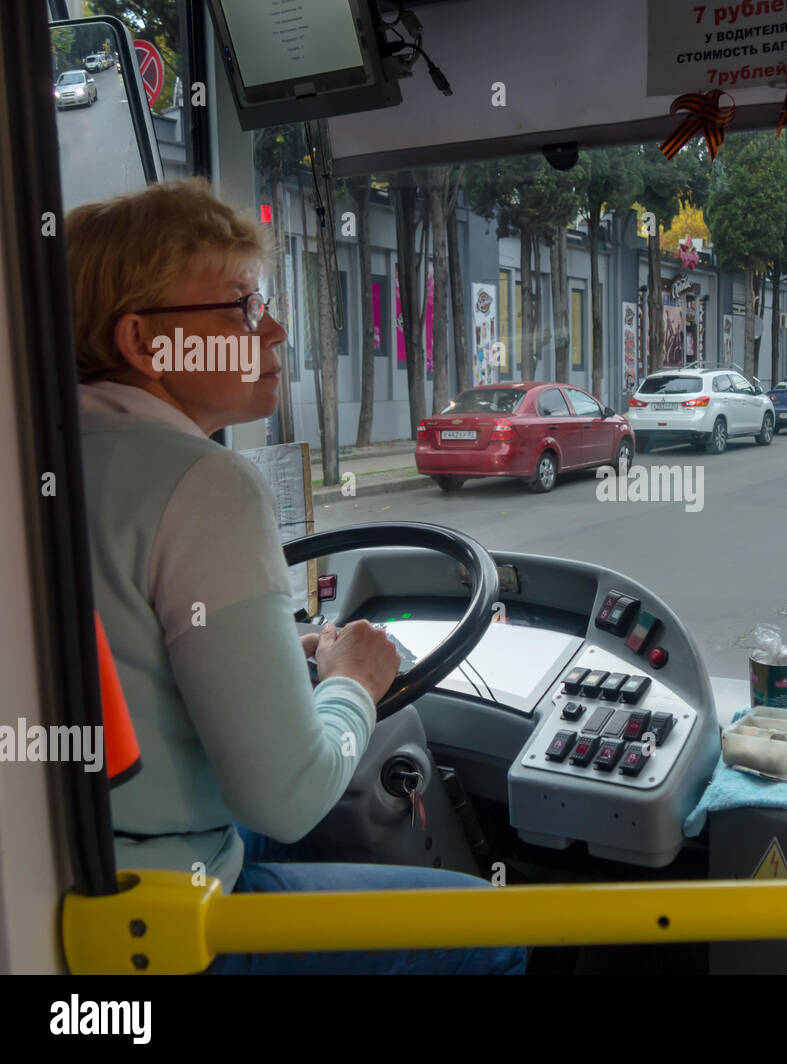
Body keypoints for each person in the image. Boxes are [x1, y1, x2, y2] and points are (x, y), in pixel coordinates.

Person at [68, 179, 525, 975]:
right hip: (168, 927)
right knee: (492, 929)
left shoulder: (50, 449)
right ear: (144, 342)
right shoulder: (205, 483)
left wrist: (286, 657)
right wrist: (353, 681)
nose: (273, 329)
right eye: (241, 308)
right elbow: (288, 795)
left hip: (83, 868)